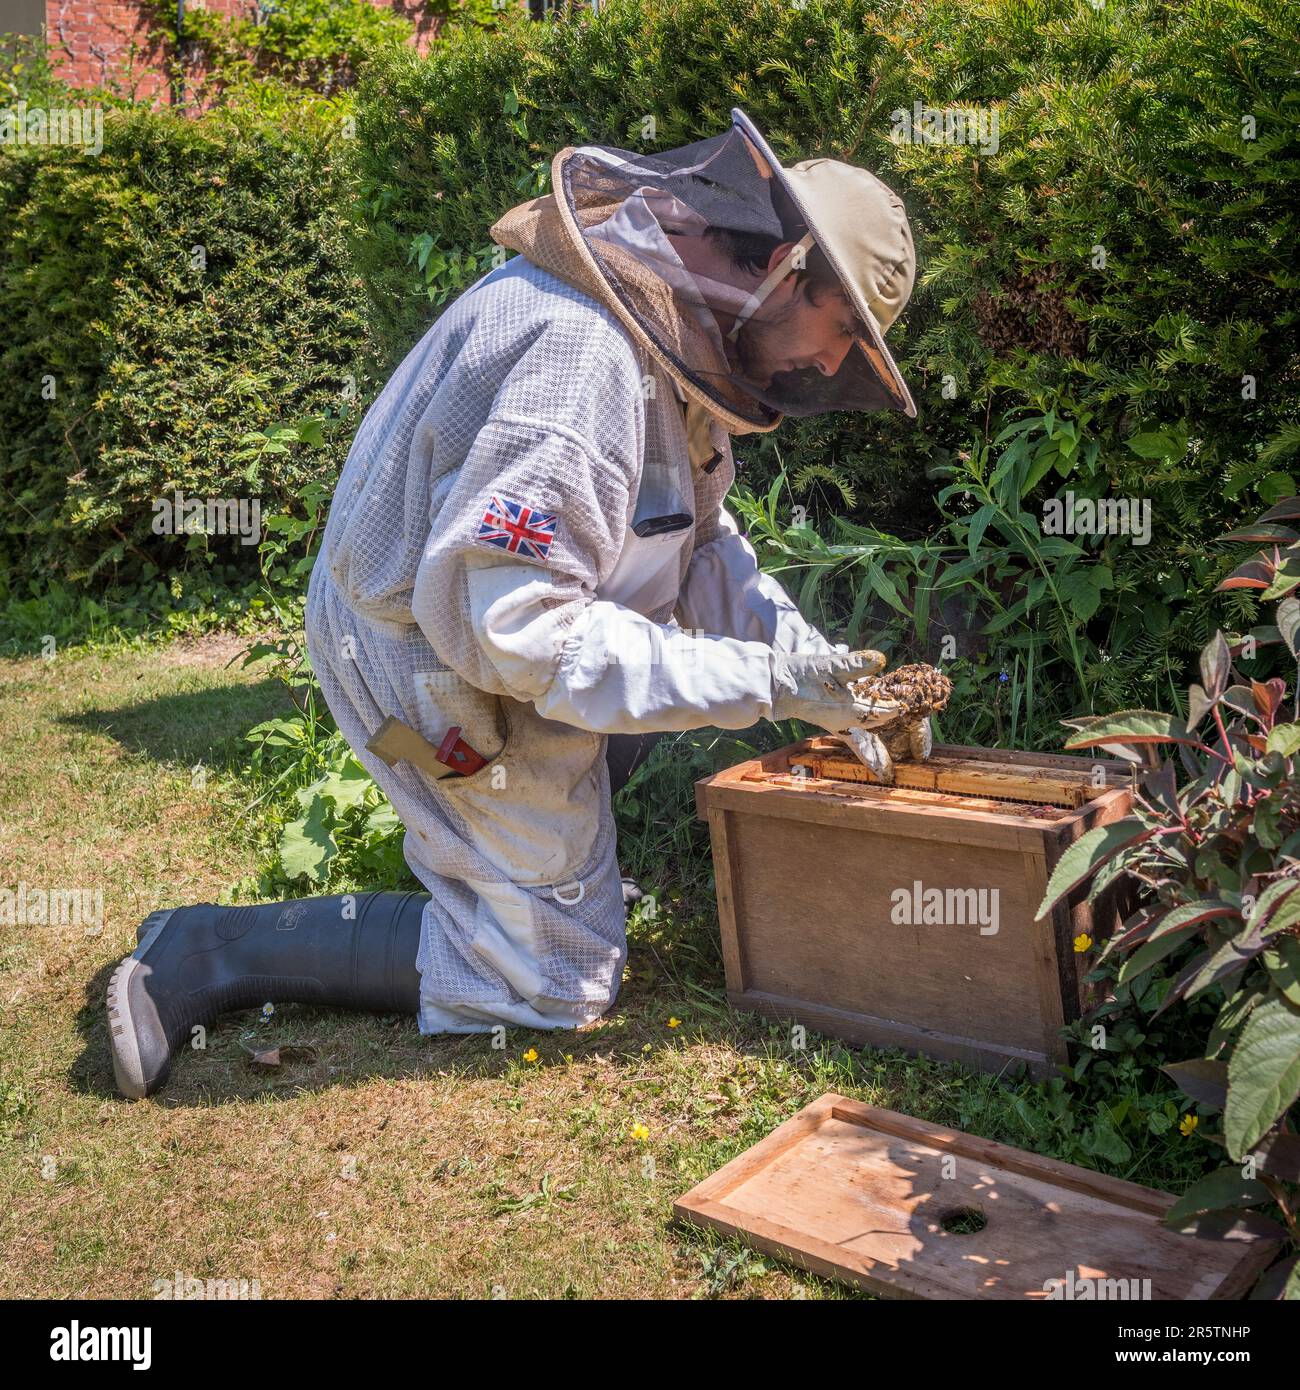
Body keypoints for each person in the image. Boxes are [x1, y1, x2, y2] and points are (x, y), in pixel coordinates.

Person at [106, 108, 919, 1099]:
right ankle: (209, 949)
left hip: (495, 634)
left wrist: (811, 666)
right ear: (786, 269)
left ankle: (523, 873)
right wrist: (767, 682)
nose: (831, 368)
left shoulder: (674, 344)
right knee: (549, 982)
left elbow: (700, 547)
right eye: (840, 332)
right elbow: (521, 631)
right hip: (426, 663)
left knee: (570, 843)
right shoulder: (582, 359)